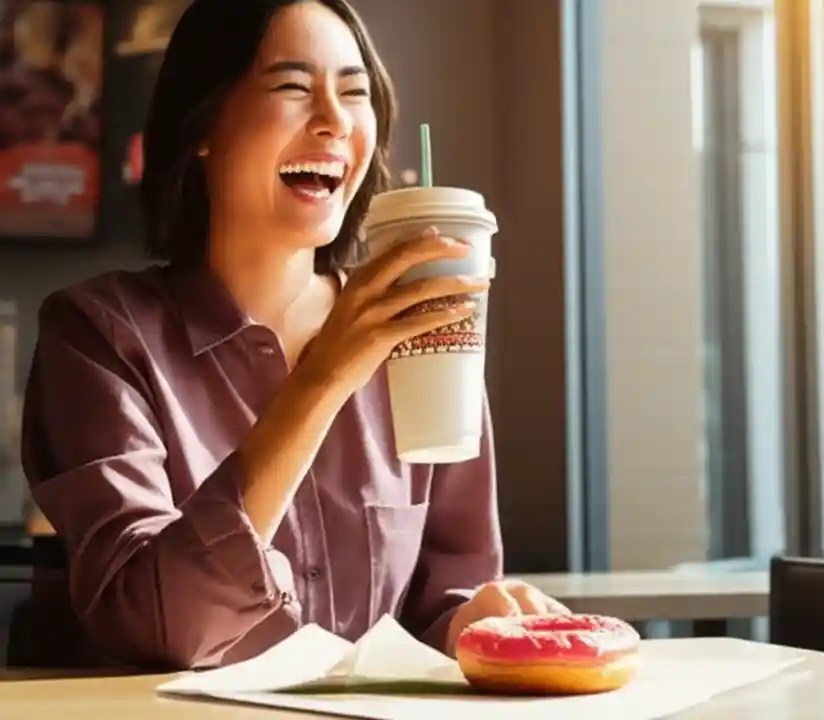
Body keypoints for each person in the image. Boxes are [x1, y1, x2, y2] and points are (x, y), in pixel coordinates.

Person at [20, 0, 566, 670]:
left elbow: (437, 601)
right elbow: (157, 624)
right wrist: (322, 381)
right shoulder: (98, 337)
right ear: (203, 123)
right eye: (292, 87)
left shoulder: (420, 335)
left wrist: (470, 621)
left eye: (355, 93)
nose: (335, 121)